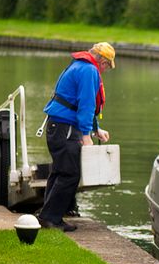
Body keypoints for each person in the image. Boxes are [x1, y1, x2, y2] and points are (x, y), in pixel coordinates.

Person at [38, 42, 116, 232]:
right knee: (69, 174)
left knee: (59, 171)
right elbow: (86, 104)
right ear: (101, 60)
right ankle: (50, 219)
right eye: (106, 65)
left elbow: (77, 103)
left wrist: (96, 129)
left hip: (58, 126)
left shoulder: (79, 65)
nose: (105, 70)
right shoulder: (89, 70)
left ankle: (49, 216)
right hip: (66, 129)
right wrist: (87, 135)